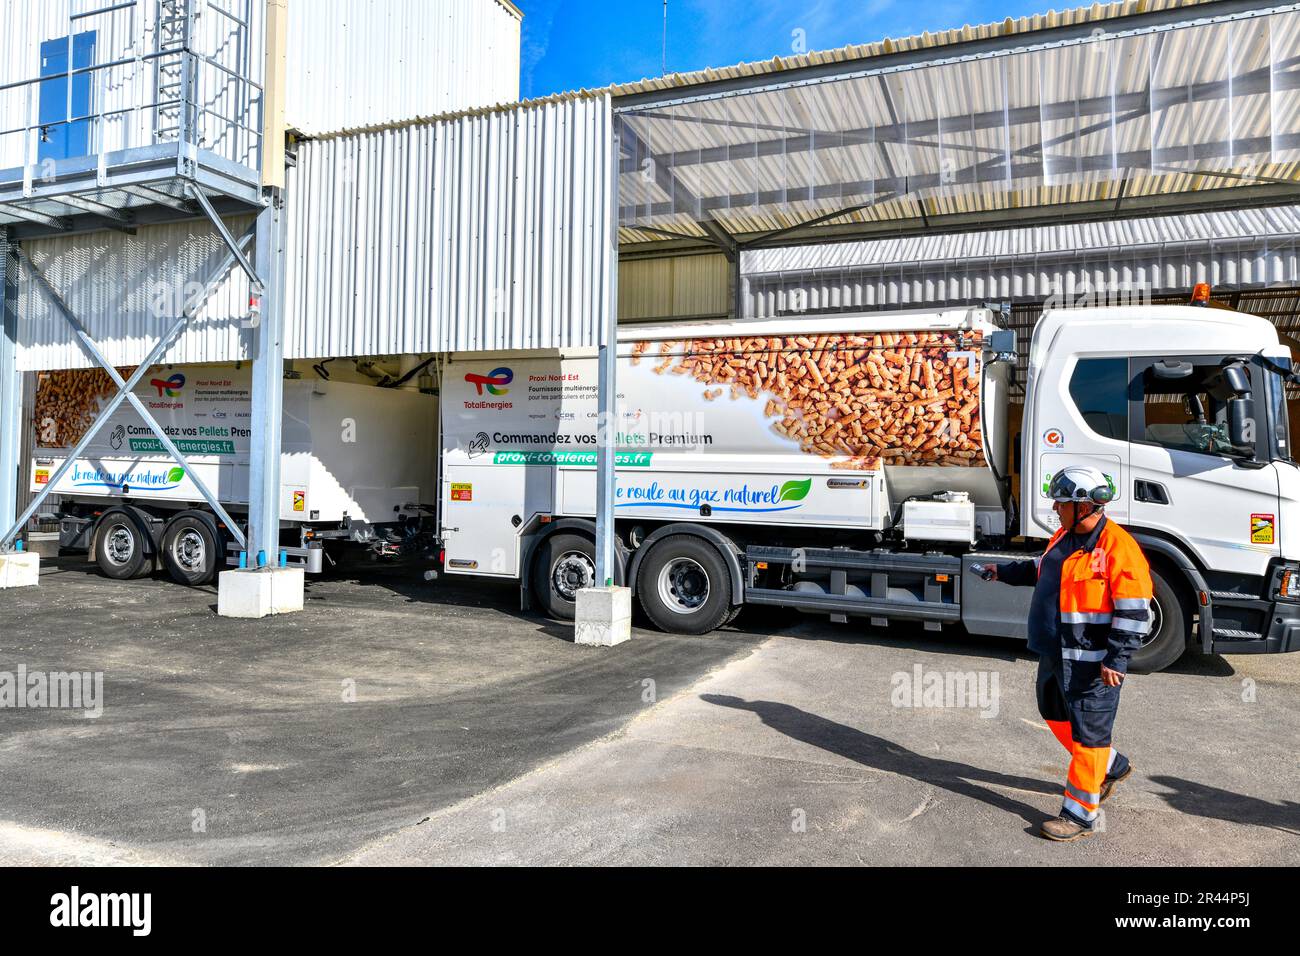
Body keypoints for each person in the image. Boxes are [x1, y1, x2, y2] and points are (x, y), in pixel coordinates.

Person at [982, 465, 1153, 841]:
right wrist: (1002, 571)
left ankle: (1078, 816)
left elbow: (1135, 611)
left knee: (1090, 735)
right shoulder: (1064, 537)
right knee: (1055, 712)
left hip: (1093, 664)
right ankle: (1111, 765)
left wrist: (1117, 658)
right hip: (1054, 652)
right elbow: (1041, 570)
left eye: (1061, 503)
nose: (1055, 509)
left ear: (1085, 506)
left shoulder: (1118, 549)